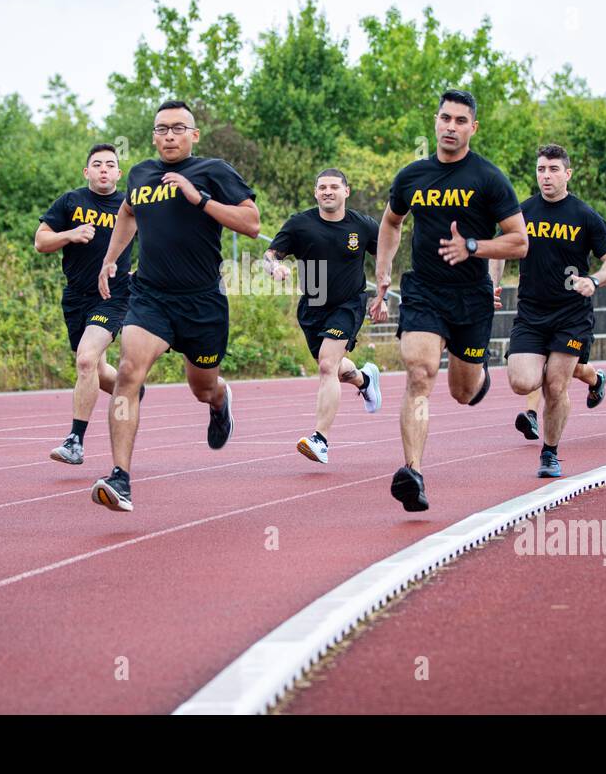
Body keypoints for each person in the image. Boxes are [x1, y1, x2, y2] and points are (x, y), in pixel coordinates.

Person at [88, 100, 259, 512]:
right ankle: (121, 478)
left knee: (202, 387)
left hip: (202, 303)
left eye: (178, 128)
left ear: (193, 135)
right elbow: (128, 213)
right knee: (128, 370)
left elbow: (251, 224)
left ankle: (220, 403)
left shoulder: (212, 171)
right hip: (151, 296)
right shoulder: (142, 174)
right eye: (161, 129)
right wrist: (111, 259)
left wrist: (199, 199)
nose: (169, 135)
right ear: (153, 135)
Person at [369, 89, 528, 512]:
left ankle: (479, 375)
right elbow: (391, 221)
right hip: (424, 290)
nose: (450, 127)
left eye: (460, 121)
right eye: (445, 118)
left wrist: (473, 246)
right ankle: (413, 473)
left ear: (473, 127)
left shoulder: (489, 179)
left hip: (471, 297)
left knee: (462, 390)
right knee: (419, 372)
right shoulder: (412, 176)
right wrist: (383, 272)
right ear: (436, 122)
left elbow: (519, 242)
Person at [495, 145, 606, 477]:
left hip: (571, 315)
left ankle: (549, 453)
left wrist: (594, 280)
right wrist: (490, 284)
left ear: (567, 173)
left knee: (555, 385)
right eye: (541, 169)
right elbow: (497, 250)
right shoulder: (522, 213)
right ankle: (594, 376)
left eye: (553, 169)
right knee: (522, 382)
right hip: (531, 314)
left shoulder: (584, 215)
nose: (546, 175)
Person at [265, 168, 383, 463]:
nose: (327, 191)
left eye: (333, 186)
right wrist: (274, 268)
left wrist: (382, 292)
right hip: (313, 306)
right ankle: (365, 380)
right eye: (322, 187)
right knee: (334, 367)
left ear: (347, 191)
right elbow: (270, 255)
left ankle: (320, 439)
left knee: (327, 365)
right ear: (316, 192)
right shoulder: (299, 224)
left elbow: (387, 252)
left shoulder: (363, 226)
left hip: (349, 304)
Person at [36, 143, 140, 465]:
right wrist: (70, 234)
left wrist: (143, 272)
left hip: (113, 296)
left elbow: (157, 244)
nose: (104, 169)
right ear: (87, 171)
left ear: (119, 173)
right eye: (97, 164)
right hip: (75, 297)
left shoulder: (129, 206)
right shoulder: (71, 201)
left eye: (110, 164)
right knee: (95, 368)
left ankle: (75, 442)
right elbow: (41, 242)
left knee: (85, 361)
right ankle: (131, 389)